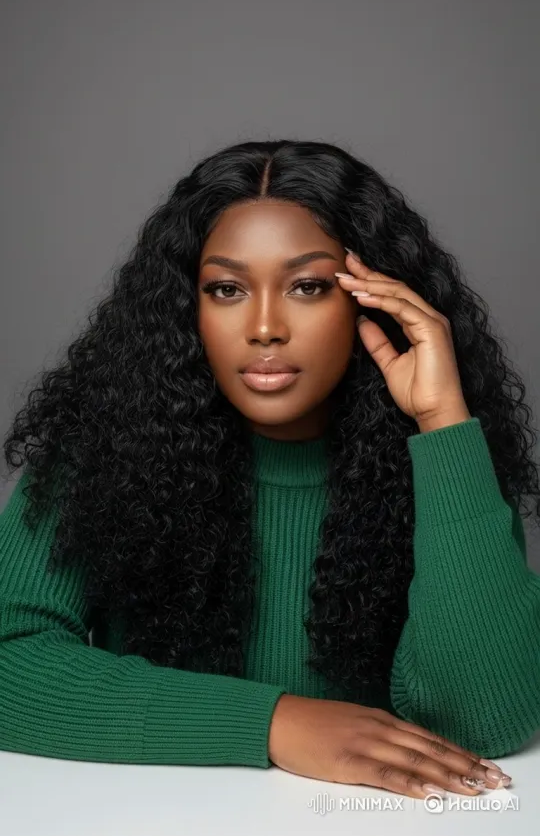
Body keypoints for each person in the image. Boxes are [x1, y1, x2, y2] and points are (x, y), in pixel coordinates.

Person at [1, 139, 538, 801]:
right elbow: (8, 659)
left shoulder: (444, 463)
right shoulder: (101, 449)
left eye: (308, 286)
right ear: (187, 308)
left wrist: (443, 420)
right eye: (226, 288)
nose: (263, 326)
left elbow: (486, 719)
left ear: (369, 301)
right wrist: (275, 722)